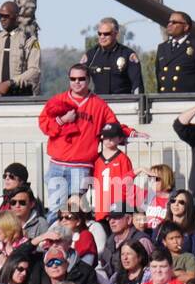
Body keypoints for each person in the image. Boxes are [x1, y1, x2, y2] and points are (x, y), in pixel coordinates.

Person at [37, 63, 136, 218]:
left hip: (81, 167)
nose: (77, 82)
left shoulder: (99, 105)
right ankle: (54, 241)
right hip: (57, 164)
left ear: (88, 80)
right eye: (73, 78)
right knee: (55, 210)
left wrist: (131, 133)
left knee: (76, 212)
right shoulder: (58, 100)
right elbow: (44, 126)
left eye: (81, 79)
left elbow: (114, 126)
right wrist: (63, 120)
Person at [80, 17, 144, 95]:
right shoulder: (91, 55)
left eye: (106, 34)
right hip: (99, 102)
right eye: (99, 34)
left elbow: (137, 85)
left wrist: (137, 103)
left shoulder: (127, 55)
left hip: (123, 103)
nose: (102, 37)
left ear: (116, 34)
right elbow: (79, 79)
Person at [155, 10, 195, 94]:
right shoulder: (162, 48)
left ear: (186, 27)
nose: (170, 25)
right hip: (165, 99)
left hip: (187, 100)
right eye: (169, 22)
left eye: (174, 22)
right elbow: (159, 76)